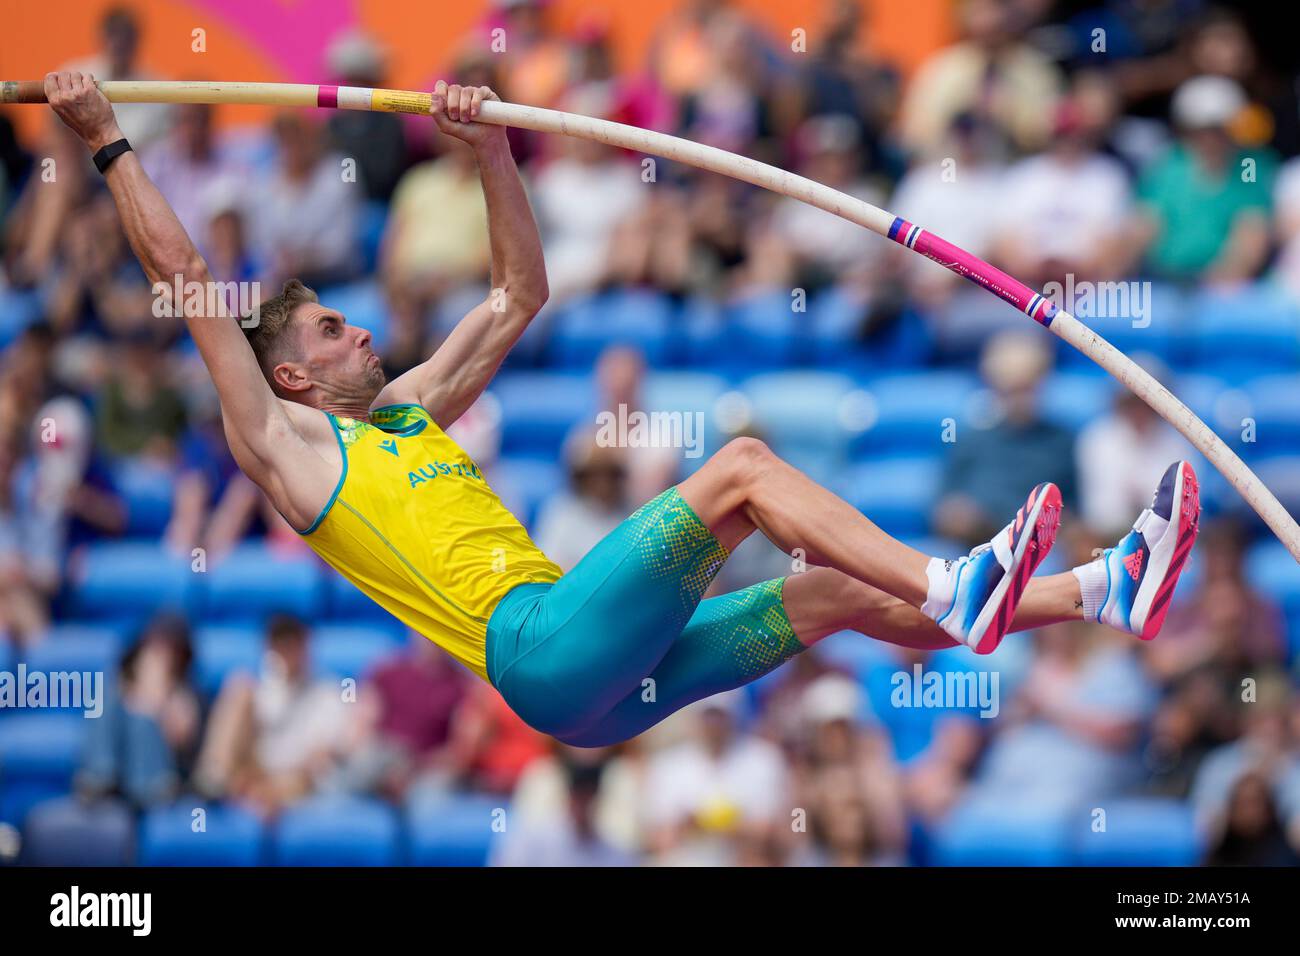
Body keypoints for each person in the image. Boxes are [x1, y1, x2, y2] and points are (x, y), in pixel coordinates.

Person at [45, 71, 1200, 750]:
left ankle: (1103, 589)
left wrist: (492, 150)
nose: (357, 331)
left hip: (596, 677)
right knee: (743, 465)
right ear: (290, 377)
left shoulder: (404, 414)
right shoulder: (287, 445)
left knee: (840, 588)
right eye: (330, 334)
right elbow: (191, 282)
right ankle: (956, 583)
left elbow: (519, 294)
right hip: (543, 653)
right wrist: (105, 142)